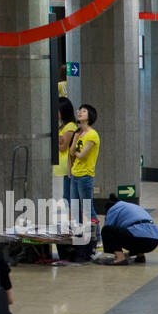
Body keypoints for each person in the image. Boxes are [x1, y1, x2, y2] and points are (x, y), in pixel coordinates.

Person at [69, 103, 100, 252]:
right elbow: (71, 152)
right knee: (75, 207)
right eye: (79, 111)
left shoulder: (92, 135)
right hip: (75, 174)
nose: (80, 113)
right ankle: (81, 236)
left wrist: (74, 150)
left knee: (87, 209)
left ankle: (97, 238)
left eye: (84, 111)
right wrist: (75, 140)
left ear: (90, 116)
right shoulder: (78, 133)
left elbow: (81, 154)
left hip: (85, 176)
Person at [95, 196, 158, 266]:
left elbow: (107, 227)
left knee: (107, 230)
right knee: (134, 231)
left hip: (140, 239)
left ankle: (120, 258)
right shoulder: (131, 206)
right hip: (155, 240)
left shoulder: (113, 209)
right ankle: (140, 256)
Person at [56, 97, 76, 209]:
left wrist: (55, 141)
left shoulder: (70, 126)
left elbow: (63, 147)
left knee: (67, 197)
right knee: (65, 197)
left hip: (66, 165)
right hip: (62, 166)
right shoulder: (62, 126)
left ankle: (72, 221)